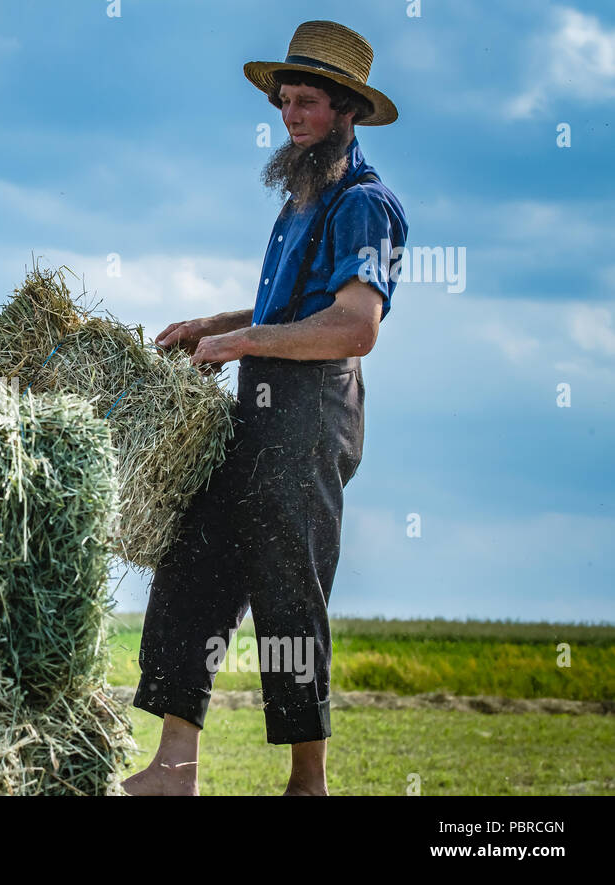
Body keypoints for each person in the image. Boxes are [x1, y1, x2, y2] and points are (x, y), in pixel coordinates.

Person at [122, 20, 409, 796]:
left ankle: (307, 784)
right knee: (192, 565)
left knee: (290, 591)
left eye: (307, 102)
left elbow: (354, 325)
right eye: (285, 102)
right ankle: (174, 770)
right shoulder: (299, 199)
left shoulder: (364, 204)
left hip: (311, 417)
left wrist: (245, 337)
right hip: (255, 414)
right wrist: (216, 326)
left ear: (348, 107)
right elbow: (288, 305)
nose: (290, 115)